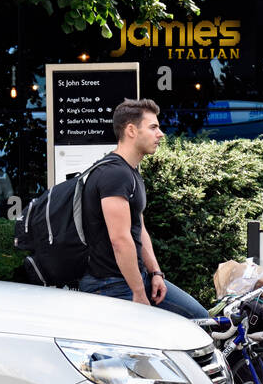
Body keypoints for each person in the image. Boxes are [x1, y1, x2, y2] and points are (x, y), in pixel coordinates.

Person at [78, 98, 208, 319]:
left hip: (133, 278)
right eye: (153, 127)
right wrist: (138, 293)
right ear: (131, 130)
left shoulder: (130, 172)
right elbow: (120, 240)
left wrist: (155, 272)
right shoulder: (114, 174)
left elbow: (138, 228)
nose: (161, 134)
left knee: (198, 317)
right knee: (139, 351)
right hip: (112, 284)